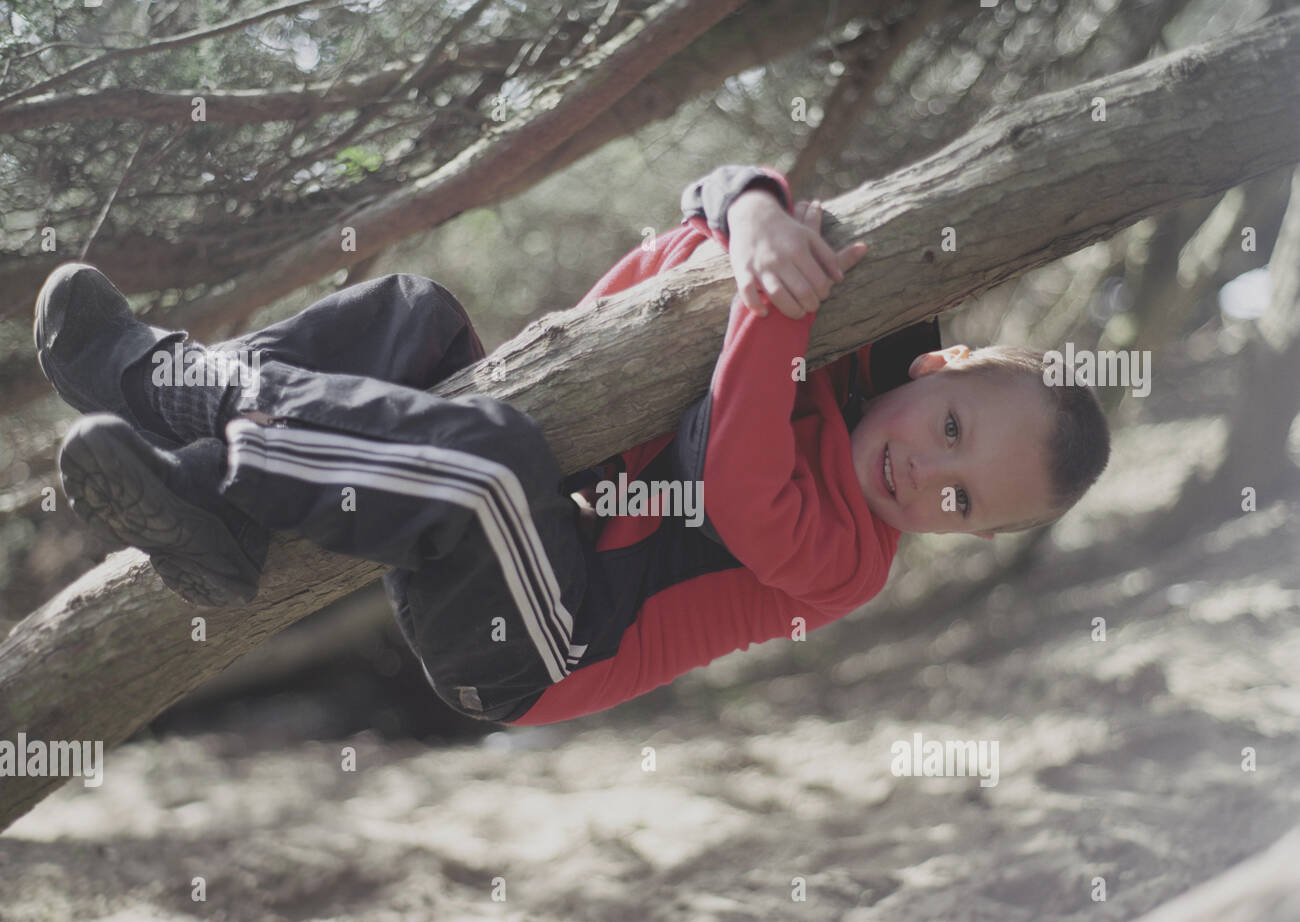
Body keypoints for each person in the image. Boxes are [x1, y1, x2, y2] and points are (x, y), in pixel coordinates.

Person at [34, 165, 1110, 724]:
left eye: (962, 503)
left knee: (492, 465)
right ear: (938, 368)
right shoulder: (851, 344)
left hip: (539, 645)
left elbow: (733, 488)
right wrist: (754, 214)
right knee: (417, 313)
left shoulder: (846, 565)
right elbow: (694, 223)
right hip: (547, 501)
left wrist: (771, 294)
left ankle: (213, 473)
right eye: (955, 431)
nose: (930, 475)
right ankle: (155, 388)